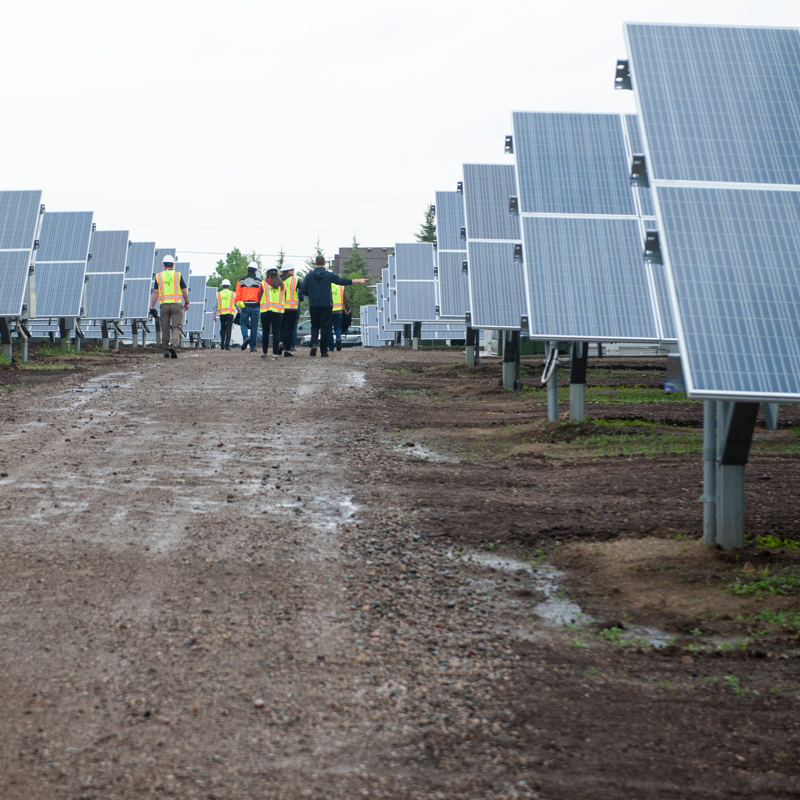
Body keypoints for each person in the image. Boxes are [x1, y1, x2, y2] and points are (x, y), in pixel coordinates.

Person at [300, 255, 367, 357]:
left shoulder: (309, 276)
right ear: (324, 263)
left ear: (315, 264)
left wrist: (312, 294)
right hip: (326, 305)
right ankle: (323, 351)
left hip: (314, 304)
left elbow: (304, 290)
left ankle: (313, 344)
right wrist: (358, 280)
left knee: (315, 326)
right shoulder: (328, 275)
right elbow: (342, 281)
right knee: (325, 327)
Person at [149, 254, 188, 358]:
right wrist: (187, 302)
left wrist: (152, 307)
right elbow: (184, 291)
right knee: (176, 326)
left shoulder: (159, 276)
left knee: (165, 327)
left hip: (164, 305)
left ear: (164, 265)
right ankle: (173, 345)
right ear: (173, 265)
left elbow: (155, 293)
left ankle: (166, 351)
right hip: (176, 305)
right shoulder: (177, 275)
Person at [256, 267, 285, 360]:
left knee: (266, 333)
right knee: (276, 333)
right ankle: (275, 355)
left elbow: (258, 296)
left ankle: (265, 353)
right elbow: (285, 296)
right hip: (278, 311)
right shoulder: (282, 284)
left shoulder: (264, 284)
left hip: (266, 311)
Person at [234, 262, 261, 352]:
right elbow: (261, 295)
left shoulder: (241, 281)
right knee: (254, 326)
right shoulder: (258, 282)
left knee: (244, 324)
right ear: (256, 270)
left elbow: (237, 297)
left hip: (244, 305)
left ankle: (246, 337)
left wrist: (240, 306)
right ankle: (252, 347)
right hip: (256, 305)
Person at [278, 262, 303, 357]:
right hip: (292, 309)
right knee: (289, 329)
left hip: (280, 307)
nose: (294, 271)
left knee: (280, 328)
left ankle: (280, 343)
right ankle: (287, 350)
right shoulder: (295, 280)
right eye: (293, 270)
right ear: (289, 271)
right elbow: (304, 289)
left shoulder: (278, 280)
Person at [213, 279, 236, 350]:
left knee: (223, 328)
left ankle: (222, 345)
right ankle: (227, 346)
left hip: (222, 314)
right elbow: (236, 303)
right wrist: (239, 310)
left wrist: (214, 314)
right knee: (229, 329)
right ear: (229, 286)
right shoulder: (233, 294)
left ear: (222, 286)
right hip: (230, 313)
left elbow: (215, 305)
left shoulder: (218, 294)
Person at [327, 284, 350, 352]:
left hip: (328, 311)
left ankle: (331, 347)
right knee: (338, 327)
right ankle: (338, 338)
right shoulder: (341, 287)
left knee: (329, 329)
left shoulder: (327, 286)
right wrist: (347, 309)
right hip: (338, 311)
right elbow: (346, 299)